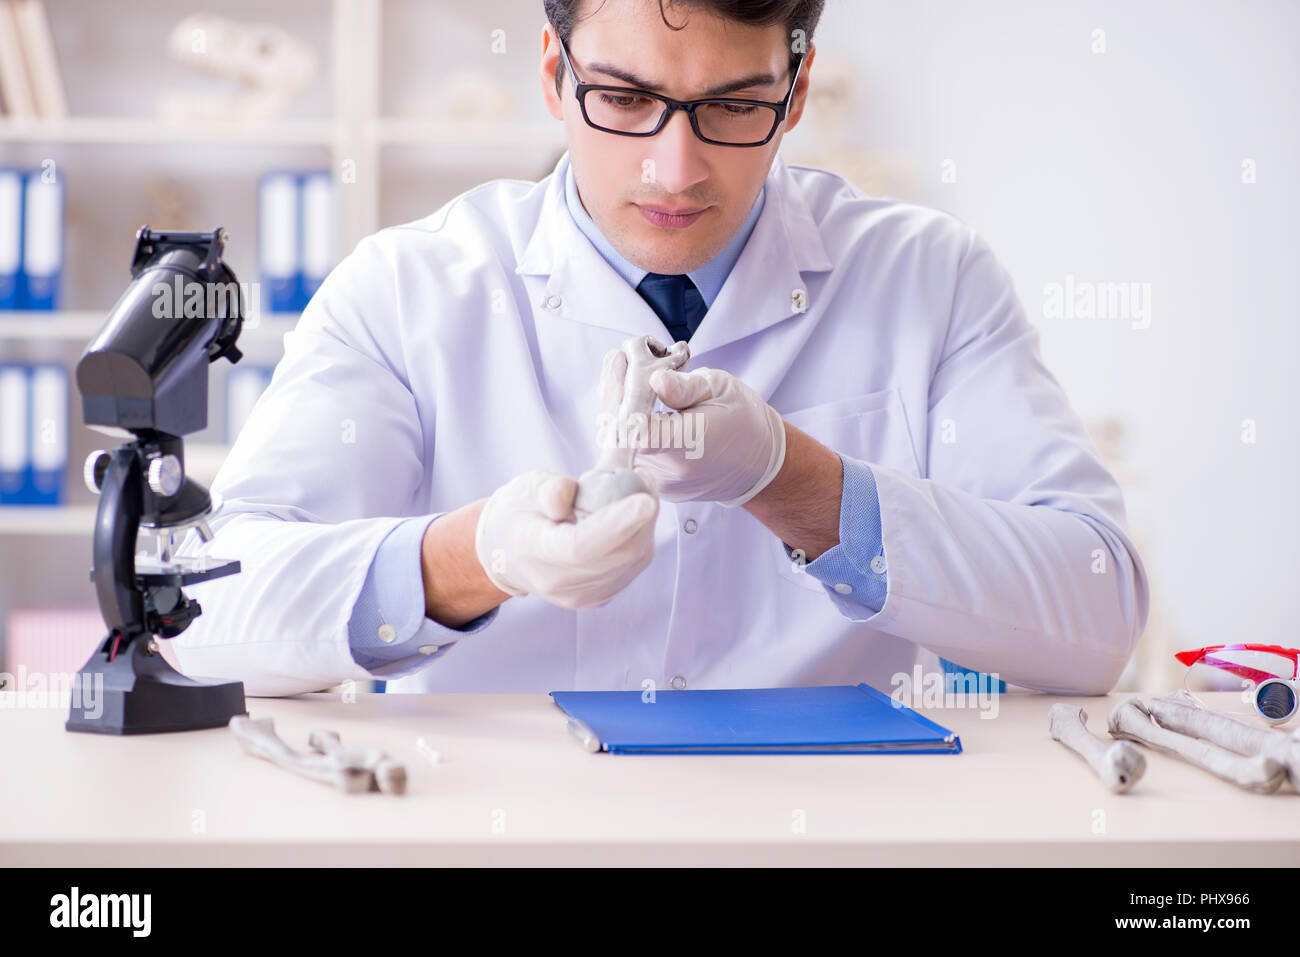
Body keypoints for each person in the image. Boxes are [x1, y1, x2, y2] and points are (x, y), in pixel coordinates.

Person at [171, 0, 1148, 697]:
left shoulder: (929, 279)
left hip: (826, 836)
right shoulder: (406, 288)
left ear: (797, 89)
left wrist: (798, 480)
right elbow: (208, 614)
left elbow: (1097, 617)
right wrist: (479, 556)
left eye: (732, 106)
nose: (673, 169)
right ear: (556, 77)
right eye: (626, 99)